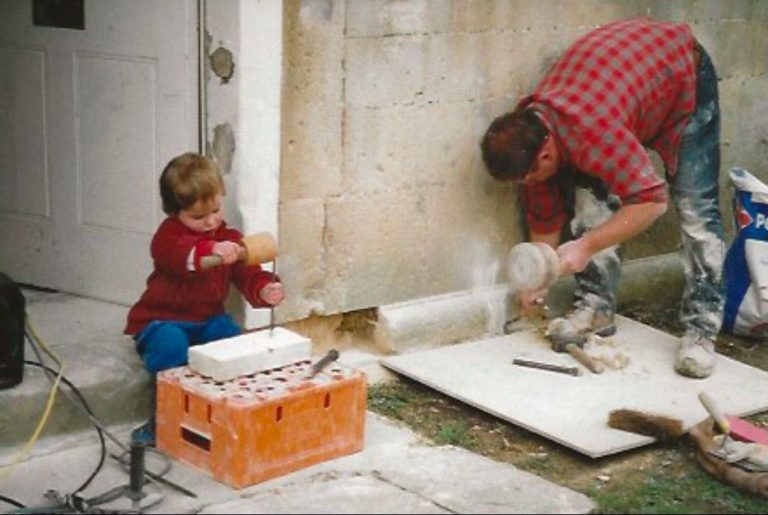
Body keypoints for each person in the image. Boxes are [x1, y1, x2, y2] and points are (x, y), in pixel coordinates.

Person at [480, 18, 724, 379]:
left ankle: (702, 331)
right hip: (625, 84)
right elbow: (544, 219)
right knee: (593, 201)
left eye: (527, 177)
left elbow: (652, 202)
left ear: (545, 155)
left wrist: (585, 246)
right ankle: (595, 308)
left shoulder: (592, 133)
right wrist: (539, 276)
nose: (526, 184)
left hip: (682, 75)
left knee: (696, 209)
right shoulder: (533, 134)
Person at [124, 152, 284, 445]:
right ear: (176, 212)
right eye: (198, 217)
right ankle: (165, 416)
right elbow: (184, 254)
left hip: (207, 319)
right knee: (171, 346)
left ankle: (227, 413)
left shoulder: (230, 239)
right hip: (162, 320)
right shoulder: (168, 236)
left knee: (231, 339)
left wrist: (264, 288)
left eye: (216, 211)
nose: (210, 222)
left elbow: (247, 272)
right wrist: (212, 250)